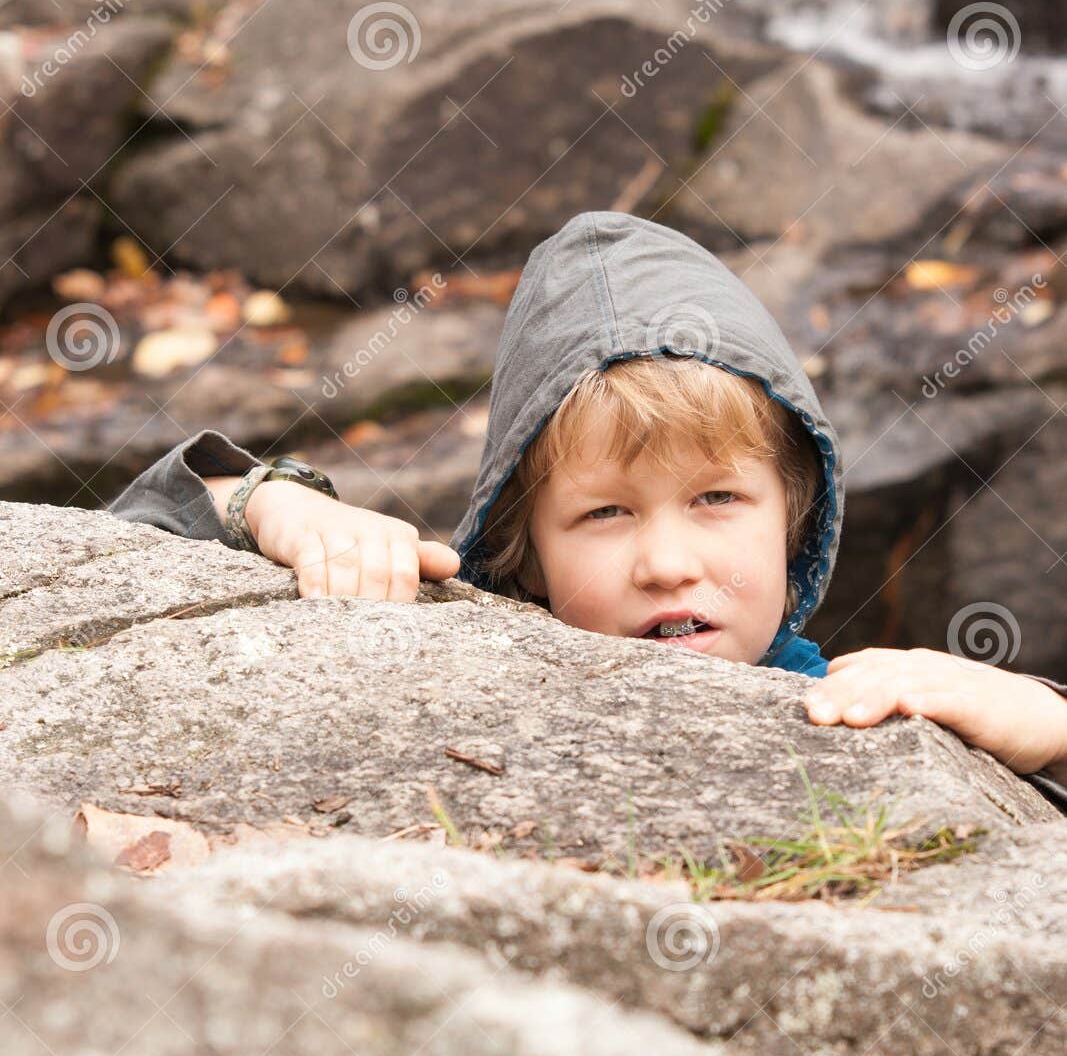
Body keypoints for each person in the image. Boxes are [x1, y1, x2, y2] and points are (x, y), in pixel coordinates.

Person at [107, 211, 1067, 805]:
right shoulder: (457, 651)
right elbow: (125, 542)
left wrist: (1048, 725)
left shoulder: (865, 704)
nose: (666, 564)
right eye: (605, 514)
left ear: (793, 518)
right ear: (522, 550)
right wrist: (277, 506)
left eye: (717, 497)